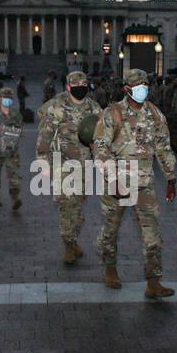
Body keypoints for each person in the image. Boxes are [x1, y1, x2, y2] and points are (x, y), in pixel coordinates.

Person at [92, 68, 177, 298]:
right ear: (126, 89)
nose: (143, 90)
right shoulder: (112, 113)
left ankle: (153, 281)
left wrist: (171, 177)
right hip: (116, 183)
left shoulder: (155, 114)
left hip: (144, 184)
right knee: (110, 229)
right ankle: (109, 268)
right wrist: (113, 179)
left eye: (145, 85)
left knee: (153, 235)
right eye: (138, 86)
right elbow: (99, 149)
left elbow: (163, 147)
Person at [36, 70, 102, 264]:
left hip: (85, 164)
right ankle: (68, 245)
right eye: (77, 86)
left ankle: (73, 239)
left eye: (84, 85)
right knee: (66, 204)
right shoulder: (58, 106)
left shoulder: (94, 107)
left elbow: (103, 134)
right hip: (62, 163)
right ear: (68, 87)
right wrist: (43, 162)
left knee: (78, 205)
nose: (81, 89)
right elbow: (45, 134)